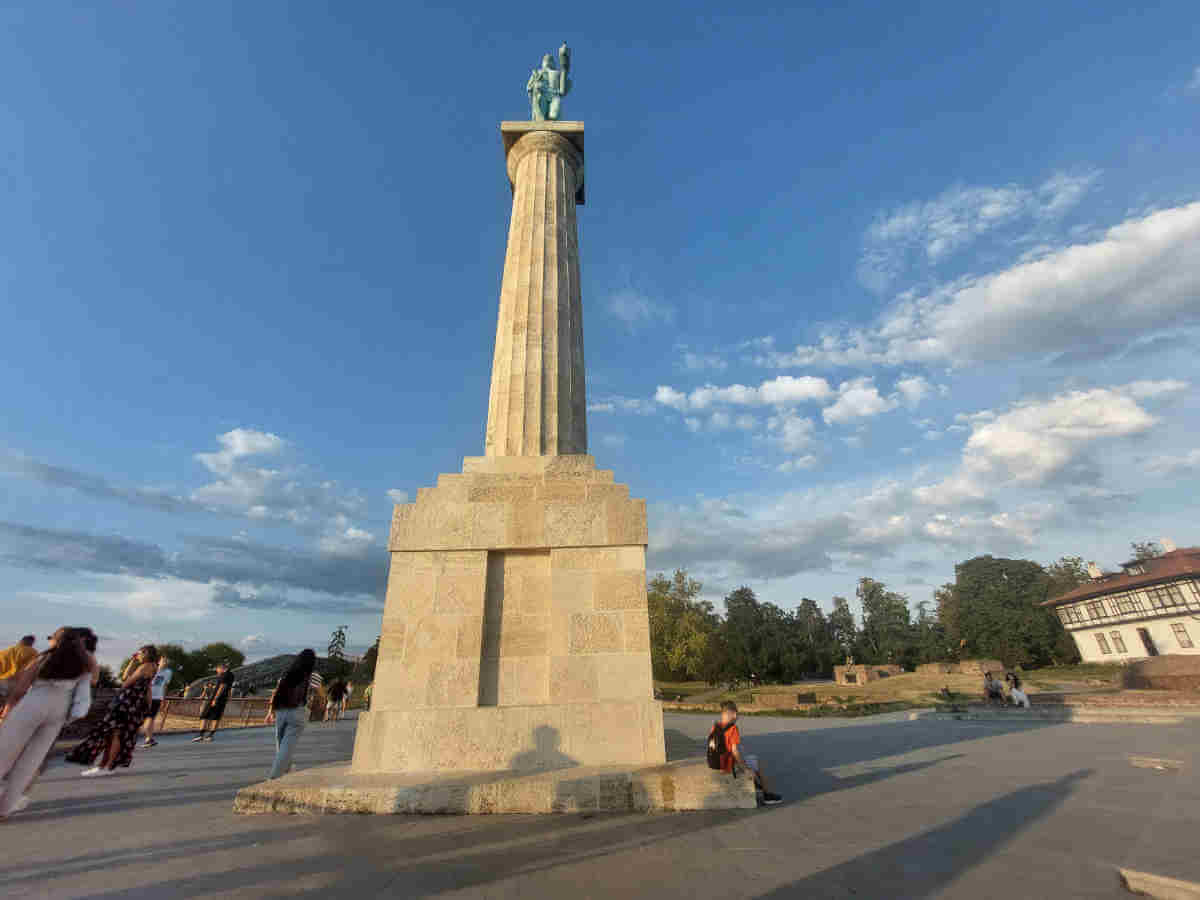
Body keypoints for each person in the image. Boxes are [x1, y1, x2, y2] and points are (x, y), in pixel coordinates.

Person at [0, 628, 92, 817]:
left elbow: (21, 688)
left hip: (34, 702)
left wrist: (9, 707)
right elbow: (85, 690)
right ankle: (4, 809)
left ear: (57, 641)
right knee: (31, 761)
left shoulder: (43, 658)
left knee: (5, 752)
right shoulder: (84, 663)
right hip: (59, 710)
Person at [67, 644, 158, 776]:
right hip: (136, 705)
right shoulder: (154, 667)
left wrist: (117, 697)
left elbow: (126, 681)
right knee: (118, 734)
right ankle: (106, 766)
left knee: (114, 733)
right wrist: (148, 706)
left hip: (127, 703)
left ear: (146, 653)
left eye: (140, 653)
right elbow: (147, 688)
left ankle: (105, 767)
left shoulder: (144, 666)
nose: (138, 655)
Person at [707, 701, 782, 805]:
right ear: (733, 714)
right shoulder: (733, 729)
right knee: (757, 762)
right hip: (728, 763)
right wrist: (745, 768)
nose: (737, 717)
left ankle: (756, 784)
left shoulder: (715, 726)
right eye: (737, 714)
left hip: (715, 762)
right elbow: (735, 751)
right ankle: (767, 795)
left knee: (749, 759)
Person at [265, 649, 317, 778]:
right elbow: (316, 694)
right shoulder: (313, 676)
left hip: (281, 710)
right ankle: (275, 775)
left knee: (281, 743)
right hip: (297, 711)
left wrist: (270, 712)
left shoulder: (287, 673)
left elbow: (276, 692)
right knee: (287, 746)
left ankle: (286, 768)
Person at [193, 662, 234, 742]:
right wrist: (228, 697)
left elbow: (222, 687)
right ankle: (210, 736)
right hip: (223, 699)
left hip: (216, 699)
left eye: (217, 670)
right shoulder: (231, 675)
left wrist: (215, 699)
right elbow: (228, 687)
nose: (217, 671)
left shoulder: (224, 675)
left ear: (222, 668)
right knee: (216, 718)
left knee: (204, 715)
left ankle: (200, 734)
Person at [141, 655, 174, 747]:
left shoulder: (168, 672)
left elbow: (164, 686)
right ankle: (147, 738)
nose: (166, 662)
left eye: (167, 661)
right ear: (158, 661)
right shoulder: (152, 669)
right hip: (147, 696)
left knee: (151, 718)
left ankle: (149, 739)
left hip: (157, 697)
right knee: (147, 718)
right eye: (164, 660)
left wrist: (163, 698)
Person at [0, 635, 38, 708]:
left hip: (2, 681)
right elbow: (34, 669)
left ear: (21, 641)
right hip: (17, 683)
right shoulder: (33, 652)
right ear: (31, 642)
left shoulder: (5, 651)